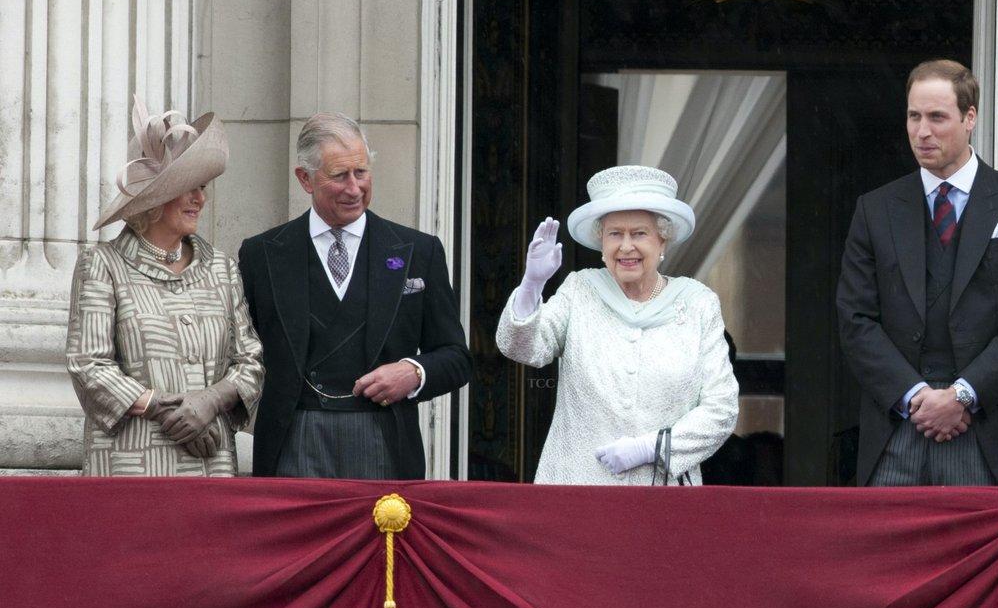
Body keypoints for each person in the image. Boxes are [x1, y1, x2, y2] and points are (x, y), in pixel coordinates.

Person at [836, 59, 998, 487]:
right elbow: (855, 318)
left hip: (987, 430)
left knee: (988, 555)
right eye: (914, 116)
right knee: (889, 554)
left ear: (969, 117)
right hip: (897, 428)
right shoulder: (875, 209)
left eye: (937, 117)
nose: (923, 131)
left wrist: (962, 396)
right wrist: (917, 397)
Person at [238, 114, 471, 479]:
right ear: (305, 179)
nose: (354, 188)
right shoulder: (262, 254)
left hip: (383, 438)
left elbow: (457, 357)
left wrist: (413, 371)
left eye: (361, 172)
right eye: (339, 176)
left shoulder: (418, 251)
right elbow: (241, 354)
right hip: (292, 440)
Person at [495, 165, 739, 485]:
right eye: (615, 234)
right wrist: (531, 285)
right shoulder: (579, 290)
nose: (626, 247)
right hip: (576, 492)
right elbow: (522, 347)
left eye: (639, 233)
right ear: (602, 243)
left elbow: (722, 410)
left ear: (662, 241)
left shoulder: (698, 304)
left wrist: (650, 448)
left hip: (662, 498)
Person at [66, 98, 264, 476]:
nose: (200, 198)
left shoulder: (221, 268)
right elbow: (88, 364)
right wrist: (165, 408)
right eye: (188, 187)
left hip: (211, 464)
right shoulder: (103, 264)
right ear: (153, 200)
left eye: (202, 186)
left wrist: (209, 402)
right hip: (131, 466)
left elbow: (250, 361)